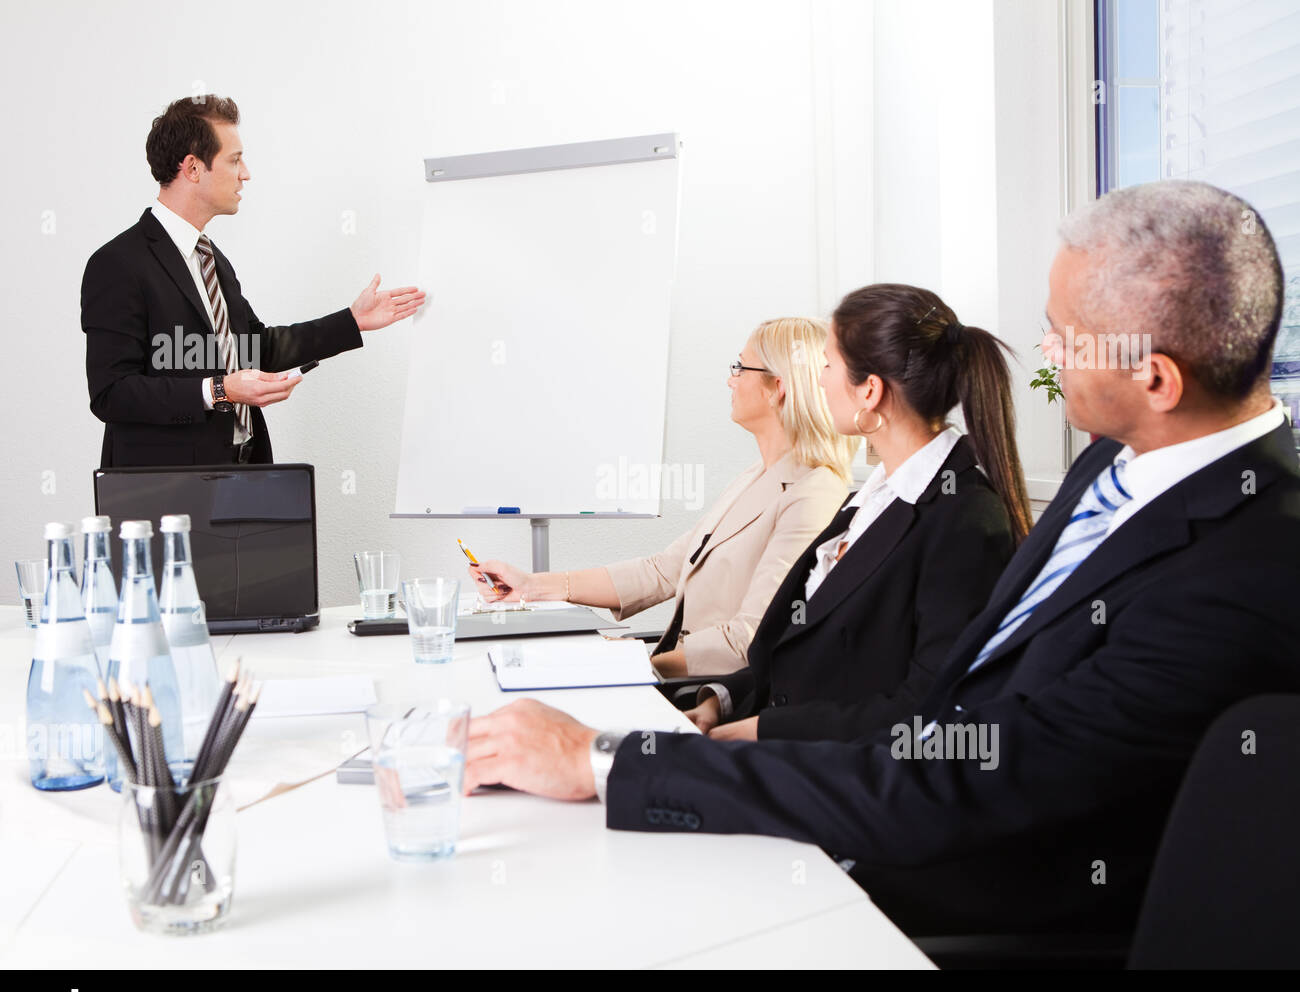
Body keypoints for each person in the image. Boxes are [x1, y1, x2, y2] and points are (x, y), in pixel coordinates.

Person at [462, 180, 1300, 938]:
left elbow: (974, 768)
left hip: (981, 898)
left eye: (1061, 336)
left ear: (1154, 379)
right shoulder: (1117, 458)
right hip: (907, 821)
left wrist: (607, 762)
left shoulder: (1250, 569)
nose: (1042, 354)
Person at [686, 284, 1031, 742]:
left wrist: (764, 730)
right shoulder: (873, 497)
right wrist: (721, 698)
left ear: (869, 390)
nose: (819, 380)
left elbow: (927, 707)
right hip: (783, 754)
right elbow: (811, 654)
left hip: (840, 780)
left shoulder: (964, 520)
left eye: (827, 365)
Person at [469, 318, 858, 677]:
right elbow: (662, 570)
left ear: (779, 387)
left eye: (739, 368)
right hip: (674, 672)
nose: (730, 380)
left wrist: (631, 665)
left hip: (711, 692)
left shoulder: (813, 494)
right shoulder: (757, 476)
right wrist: (530, 586)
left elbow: (749, 638)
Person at [84, 95, 425, 468]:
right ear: (193, 168)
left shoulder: (212, 260)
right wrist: (219, 390)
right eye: (234, 160)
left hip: (242, 477)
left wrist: (352, 321)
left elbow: (255, 349)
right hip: (166, 492)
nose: (245, 173)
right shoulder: (118, 263)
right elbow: (111, 393)